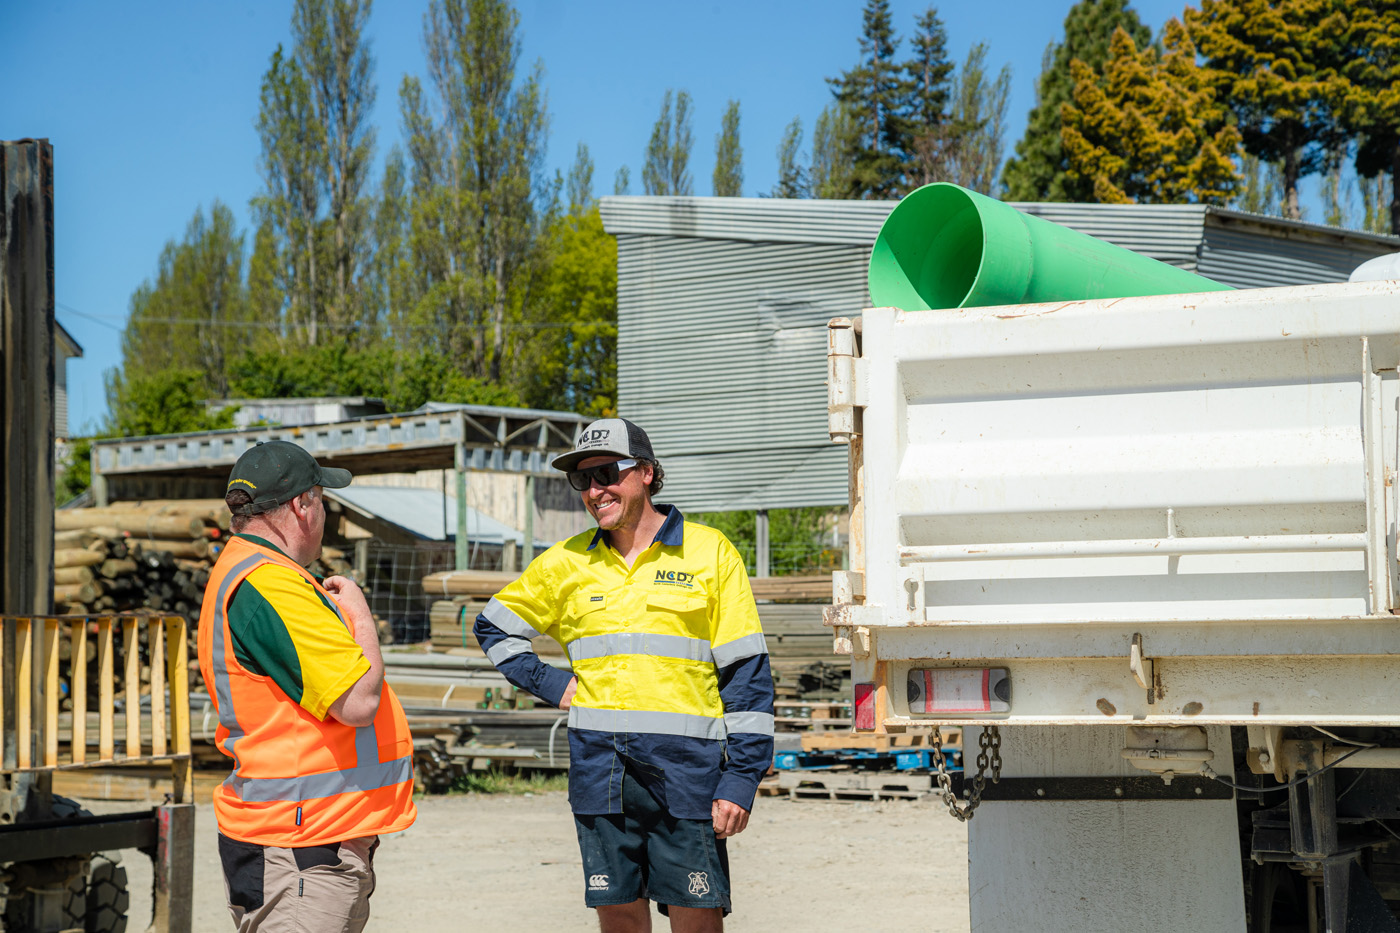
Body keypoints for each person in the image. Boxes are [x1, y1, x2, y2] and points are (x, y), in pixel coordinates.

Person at [475, 418, 774, 932]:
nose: (595, 490)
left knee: (697, 918)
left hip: (687, 774)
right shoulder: (566, 562)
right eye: (582, 479)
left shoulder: (709, 553)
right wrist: (550, 683)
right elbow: (493, 626)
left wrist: (742, 778)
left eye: (608, 473)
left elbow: (745, 673)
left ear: (647, 473)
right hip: (600, 773)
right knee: (618, 916)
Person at [197, 440, 416, 933]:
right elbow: (358, 701)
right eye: (323, 500)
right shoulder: (270, 585)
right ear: (303, 504)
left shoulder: (249, 572)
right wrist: (360, 615)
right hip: (300, 843)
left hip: (301, 835)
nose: (325, 515)